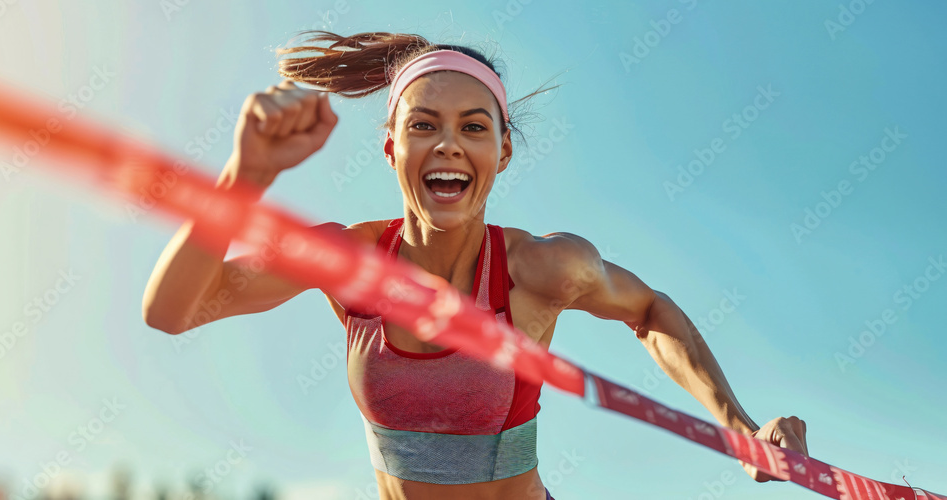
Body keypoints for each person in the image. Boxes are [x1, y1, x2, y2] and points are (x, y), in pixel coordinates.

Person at [142, 31, 809, 500]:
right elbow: (175, 312)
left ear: (504, 152)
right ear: (390, 148)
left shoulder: (542, 268)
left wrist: (742, 428)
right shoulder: (347, 261)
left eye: (473, 127)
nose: (448, 146)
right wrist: (245, 175)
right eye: (424, 125)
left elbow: (650, 309)